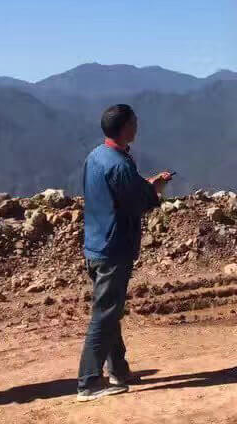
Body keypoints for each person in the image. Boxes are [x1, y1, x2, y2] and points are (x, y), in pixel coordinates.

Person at [76, 104, 173, 402]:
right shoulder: (120, 164)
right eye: (134, 122)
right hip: (114, 248)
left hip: (95, 242)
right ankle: (88, 382)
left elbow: (119, 192)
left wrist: (145, 186)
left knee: (110, 309)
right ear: (125, 129)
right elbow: (137, 202)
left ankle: (118, 369)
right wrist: (155, 190)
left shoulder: (96, 156)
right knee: (104, 314)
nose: (137, 126)